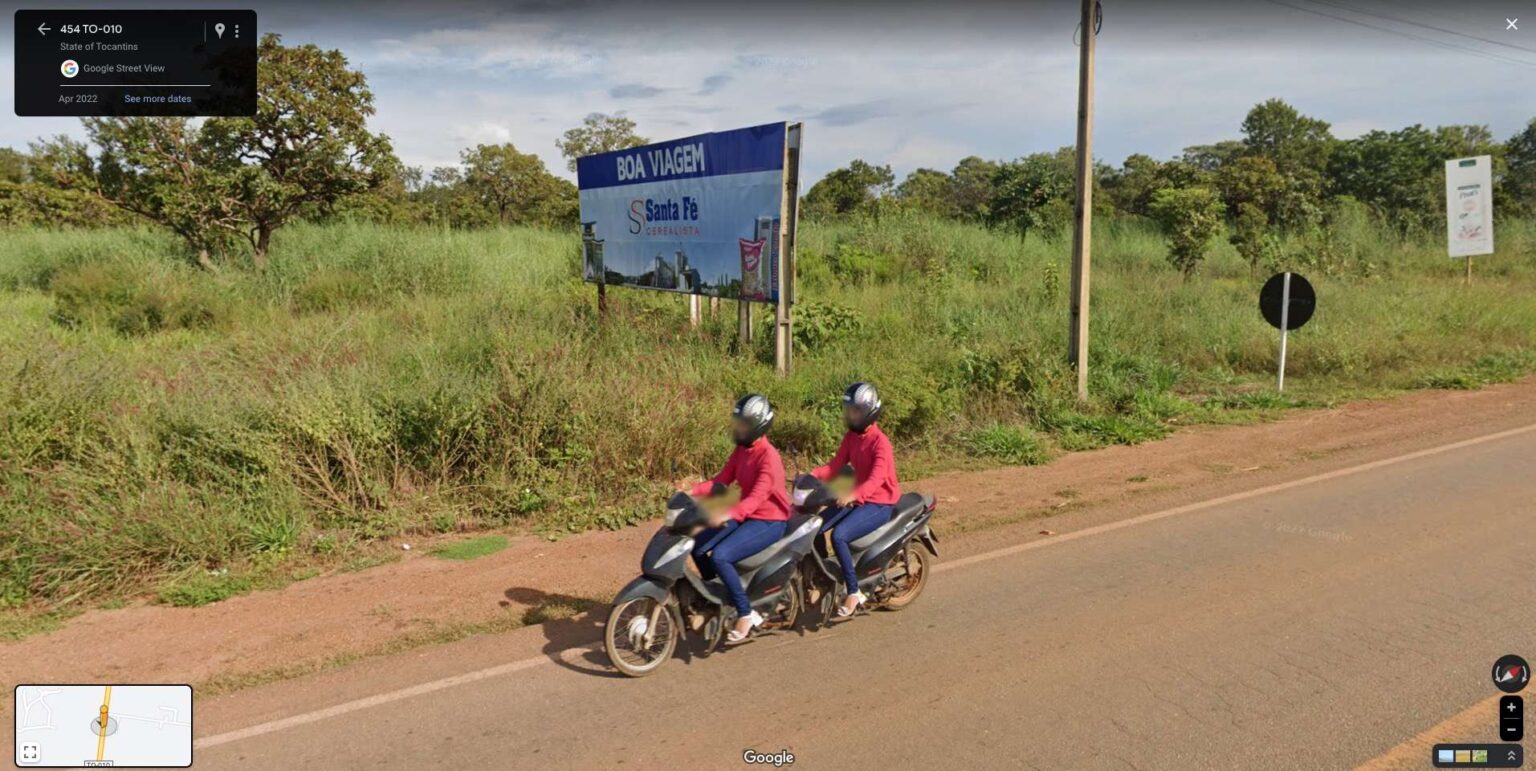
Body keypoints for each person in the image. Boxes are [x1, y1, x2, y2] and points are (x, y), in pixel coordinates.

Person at [686, 394, 790, 642]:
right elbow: (721, 481)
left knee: (721, 555)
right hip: (744, 513)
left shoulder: (768, 457)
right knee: (697, 545)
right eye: (738, 422)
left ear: (758, 425)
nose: (738, 428)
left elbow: (756, 498)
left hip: (769, 520)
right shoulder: (742, 450)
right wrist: (692, 491)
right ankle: (719, 595)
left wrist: (725, 513)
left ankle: (745, 613)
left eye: (743, 424)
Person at [812, 382, 901, 617]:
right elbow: (836, 465)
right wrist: (812, 475)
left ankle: (854, 592)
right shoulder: (852, 437)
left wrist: (852, 495)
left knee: (840, 535)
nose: (851, 415)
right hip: (857, 497)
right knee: (815, 527)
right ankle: (825, 577)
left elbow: (875, 480)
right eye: (849, 410)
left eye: (855, 411)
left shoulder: (880, 443)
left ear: (869, 412)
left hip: (880, 501)